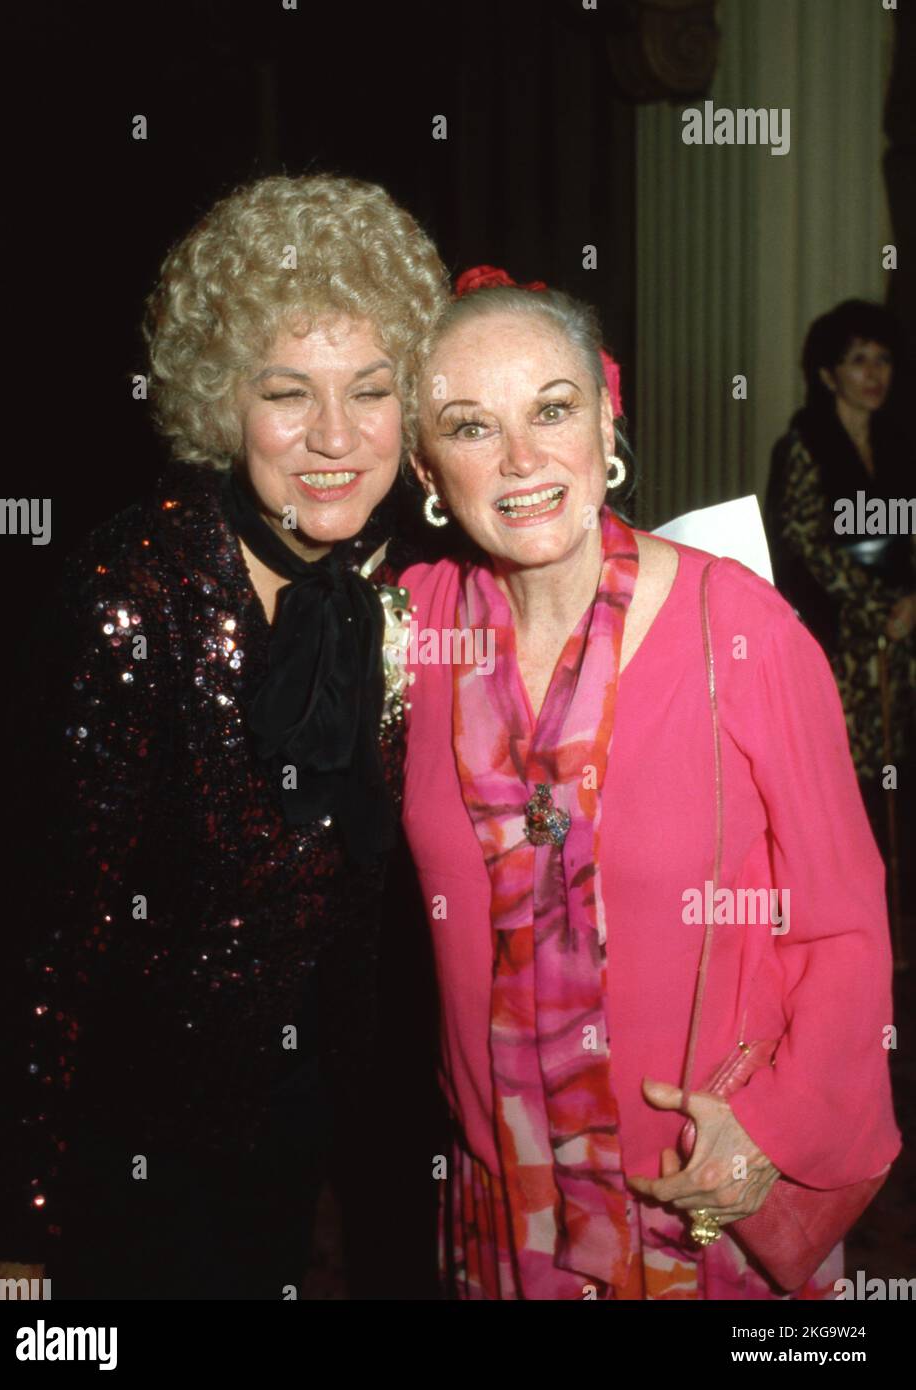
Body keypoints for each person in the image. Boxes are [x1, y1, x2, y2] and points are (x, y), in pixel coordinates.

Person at [0, 173, 448, 1299]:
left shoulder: (383, 599)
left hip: (296, 1141)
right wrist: (11, 1229)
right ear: (218, 402)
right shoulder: (127, 594)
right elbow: (37, 939)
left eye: (371, 391)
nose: (334, 436)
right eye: (289, 393)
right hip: (128, 1162)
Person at [398, 274, 902, 1299]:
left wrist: (765, 1134)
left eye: (551, 408)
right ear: (423, 468)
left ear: (605, 416)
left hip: (695, 1204)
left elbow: (845, 925)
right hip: (504, 1210)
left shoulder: (743, 631)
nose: (522, 460)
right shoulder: (406, 633)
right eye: (469, 426)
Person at [764, 300, 915, 884]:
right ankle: (833, 892)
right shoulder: (804, 444)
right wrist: (879, 609)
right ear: (828, 374)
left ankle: (883, 900)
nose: (874, 373)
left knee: (887, 773)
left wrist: (910, 604)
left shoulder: (899, 445)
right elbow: (805, 543)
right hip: (837, 634)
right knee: (840, 775)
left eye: (883, 360)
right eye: (858, 361)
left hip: (896, 633)